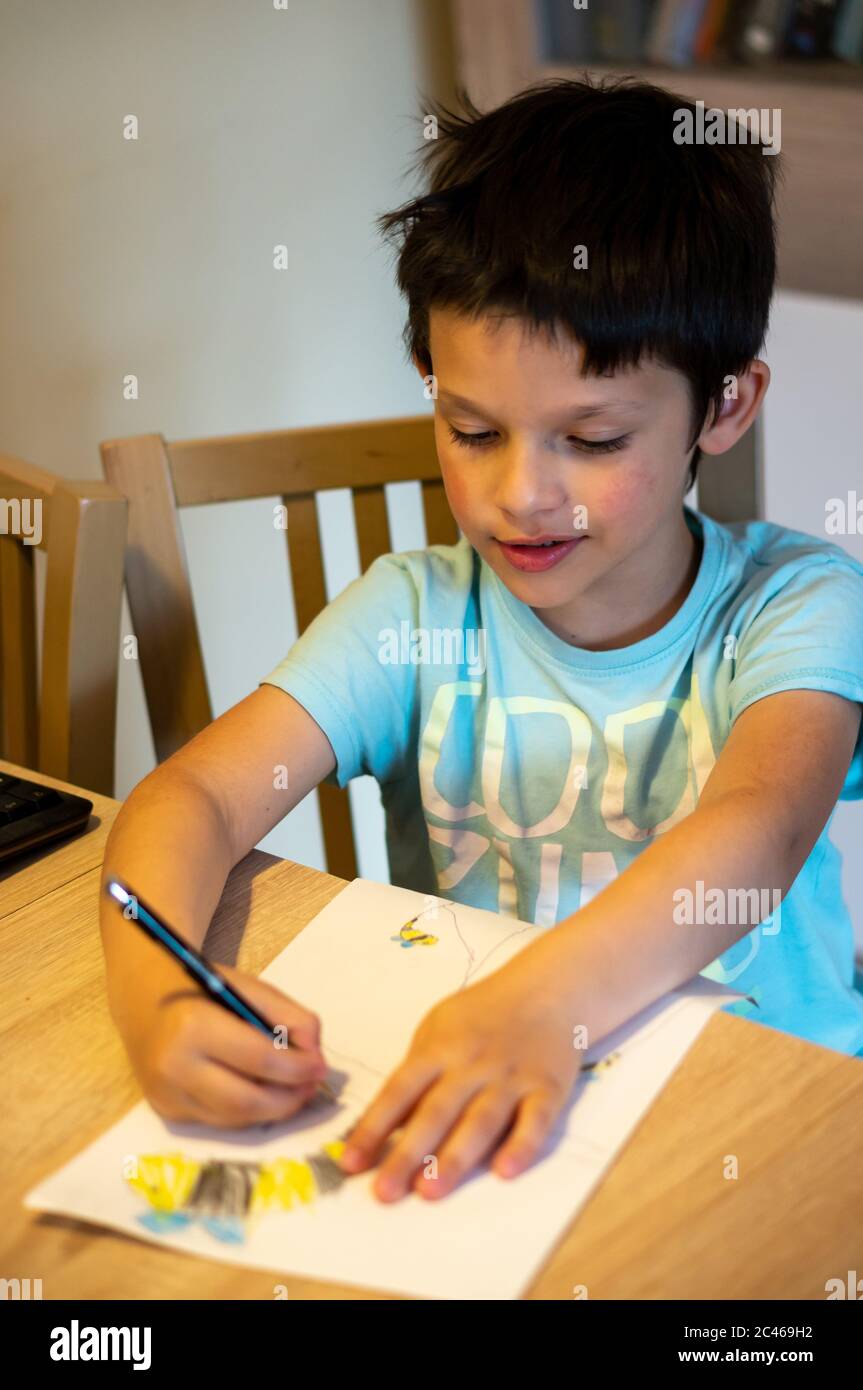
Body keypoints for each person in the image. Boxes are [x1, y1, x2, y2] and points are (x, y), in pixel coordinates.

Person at [100, 76, 863, 1205]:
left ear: (725, 405)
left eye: (591, 436)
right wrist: (161, 993)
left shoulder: (798, 601)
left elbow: (750, 834)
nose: (521, 494)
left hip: (770, 1117)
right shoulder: (408, 617)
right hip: (497, 1136)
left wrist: (544, 1001)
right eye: (470, 430)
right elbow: (193, 800)